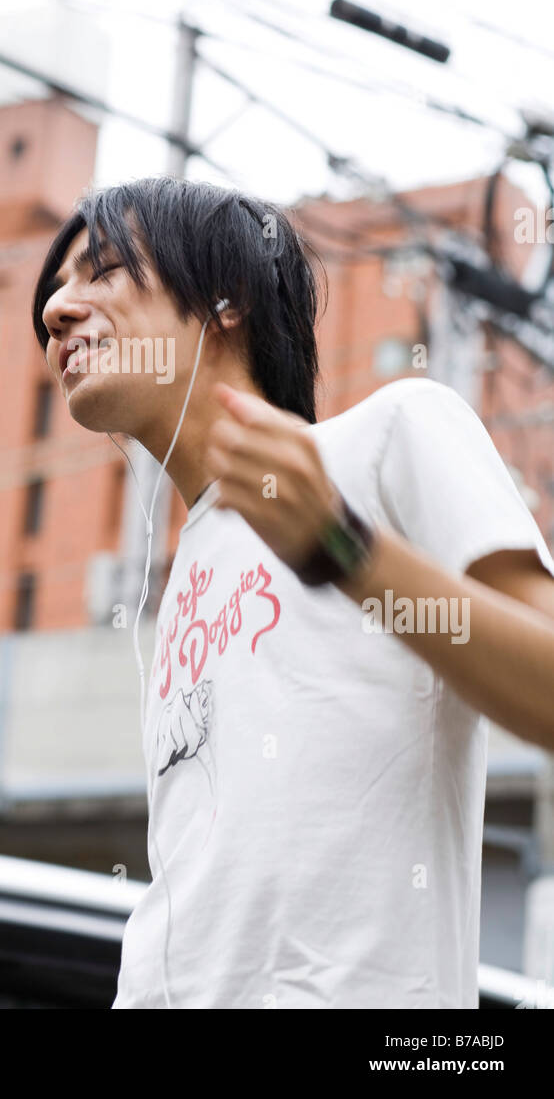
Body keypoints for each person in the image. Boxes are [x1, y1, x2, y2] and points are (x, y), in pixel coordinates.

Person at [31, 176, 554, 1010]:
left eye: (99, 271)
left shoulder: (392, 434)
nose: (57, 309)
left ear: (226, 299)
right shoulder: (183, 579)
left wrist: (346, 551)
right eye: (55, 291)